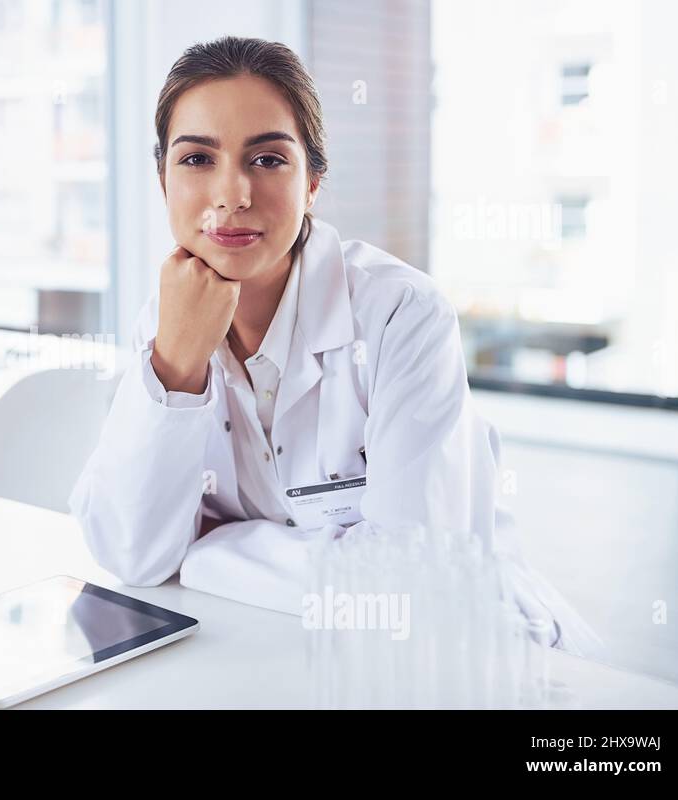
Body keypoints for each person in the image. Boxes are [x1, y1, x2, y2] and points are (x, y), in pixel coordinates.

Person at [68, 36, 600, 657]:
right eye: (196, 160)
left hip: (475, 659)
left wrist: (206, 551)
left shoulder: (401, 315)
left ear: (313, 182)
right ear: (163, 179)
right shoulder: (164, 323)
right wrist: (177, 367)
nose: (232, 194)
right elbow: (131, 553)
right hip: (281, 648)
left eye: (267, 159)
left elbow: (409, 584)